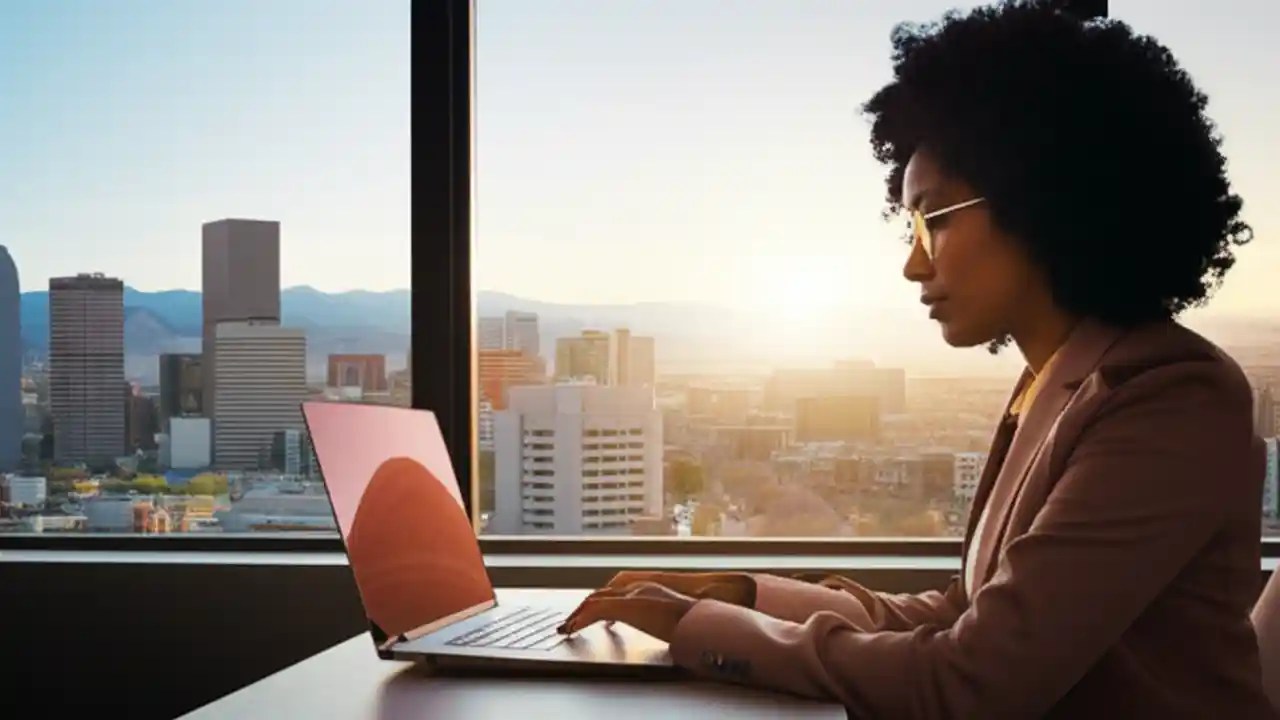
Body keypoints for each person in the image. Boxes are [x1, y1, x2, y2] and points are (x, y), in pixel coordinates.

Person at [556, 2, 1277, 717]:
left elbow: (973, 679)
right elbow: (963, 612)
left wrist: (704, 633)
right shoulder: (1061, 380)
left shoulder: (1170, 398)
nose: (911, 264)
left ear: (1042, 198)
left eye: (933, 221)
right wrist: (739, 596)